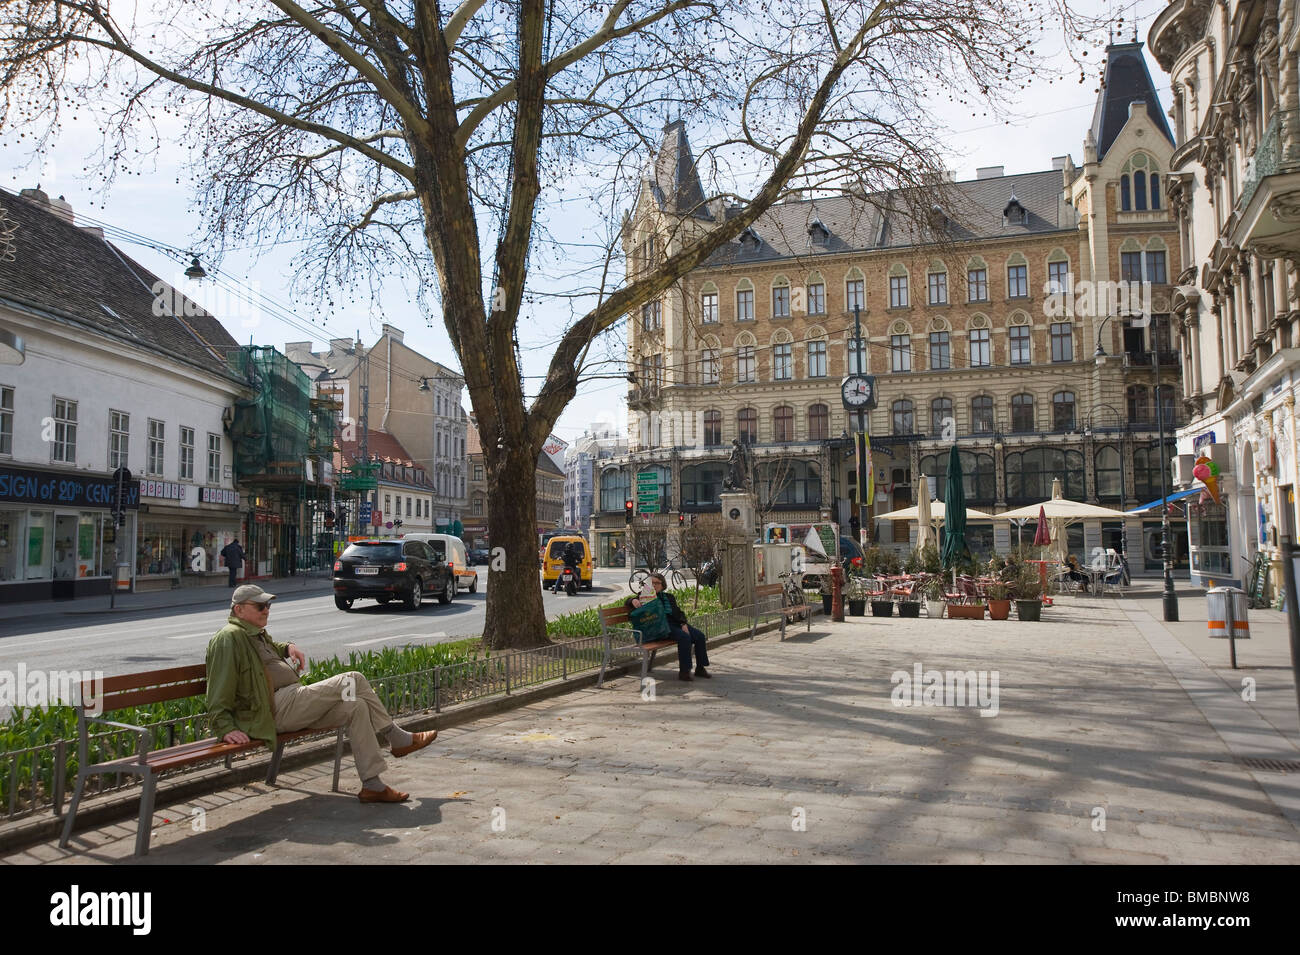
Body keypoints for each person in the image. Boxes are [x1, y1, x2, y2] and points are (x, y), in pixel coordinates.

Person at [205, 584, 437, 803]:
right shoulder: (228, 638)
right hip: (276, 709)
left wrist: (287, 647)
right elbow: (218, 688)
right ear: (239, 609)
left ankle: (372, 785)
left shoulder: (254, 633)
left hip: (292, 701)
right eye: (260, 606)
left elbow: (269, 652)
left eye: (268, 606)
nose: (266, 610)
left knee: (355, 706)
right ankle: (396, 738)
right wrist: (226, 727)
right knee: (353, 679)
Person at [624, 572, 711, 681]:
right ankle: (684, 671)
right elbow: (627, 602)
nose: (654, 585)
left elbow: (678, 613)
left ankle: (700, 668)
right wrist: (633, 600)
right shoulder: (644, 596)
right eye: (652, 583)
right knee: (684, 638)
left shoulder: (669, 597)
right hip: (660, 628)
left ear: (663, 585)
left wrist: (683, 624)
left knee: (699, 636)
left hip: (676, 624)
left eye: (657, 583)